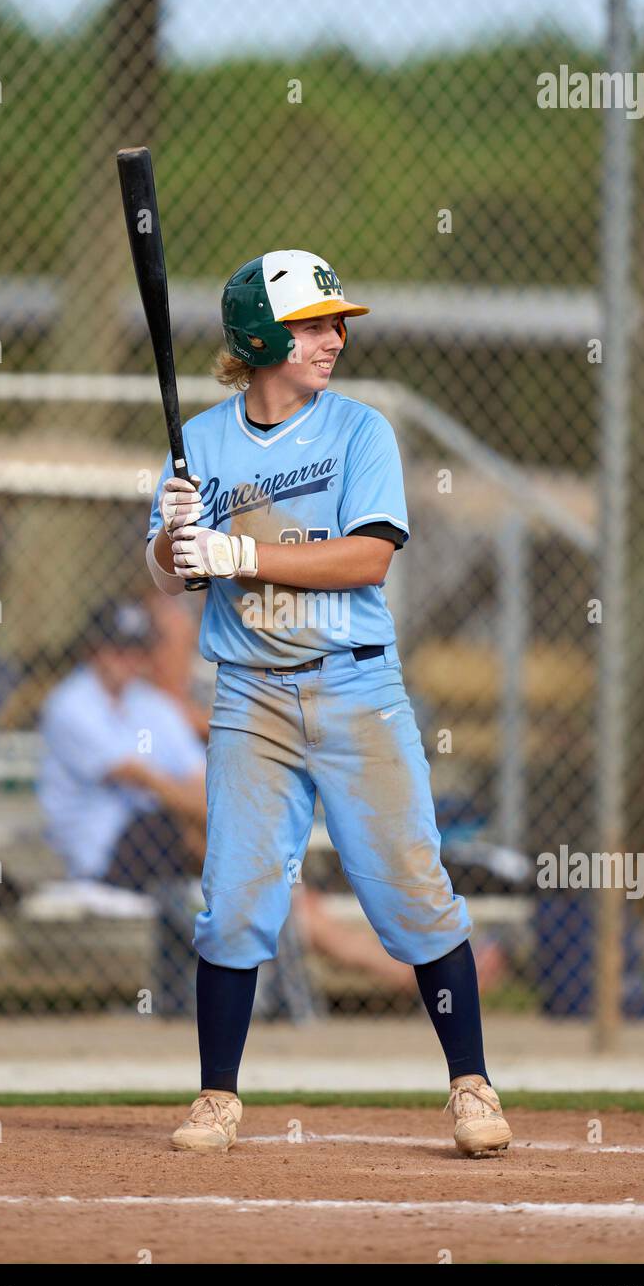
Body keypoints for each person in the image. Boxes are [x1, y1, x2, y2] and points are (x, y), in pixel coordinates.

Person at [146, 249, 512, 1156]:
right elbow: (164, 576)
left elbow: (368, 558)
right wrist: (178, 541)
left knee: (412, 894)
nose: (334, 337)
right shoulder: (198, 443)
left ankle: (471, 1085)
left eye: (335, 322)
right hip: (249, 698)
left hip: (355, 686)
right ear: (263, 337)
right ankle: (217, 1099)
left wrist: (237, 555)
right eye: (314, 324)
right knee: (232, 901)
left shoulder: (360, 430)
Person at [38, 601, 208, 1010]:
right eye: (116, 649)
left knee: (195, 820)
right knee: (186, 823)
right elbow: (145, 779)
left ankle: (256, 884)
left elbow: (199, 780)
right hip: (107, 858)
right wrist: (222, 819)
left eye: (136, 650)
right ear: (92, 651)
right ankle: (255, 884)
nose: (128, 661)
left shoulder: (152, 705)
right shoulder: (69, 704)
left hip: (162, 842)